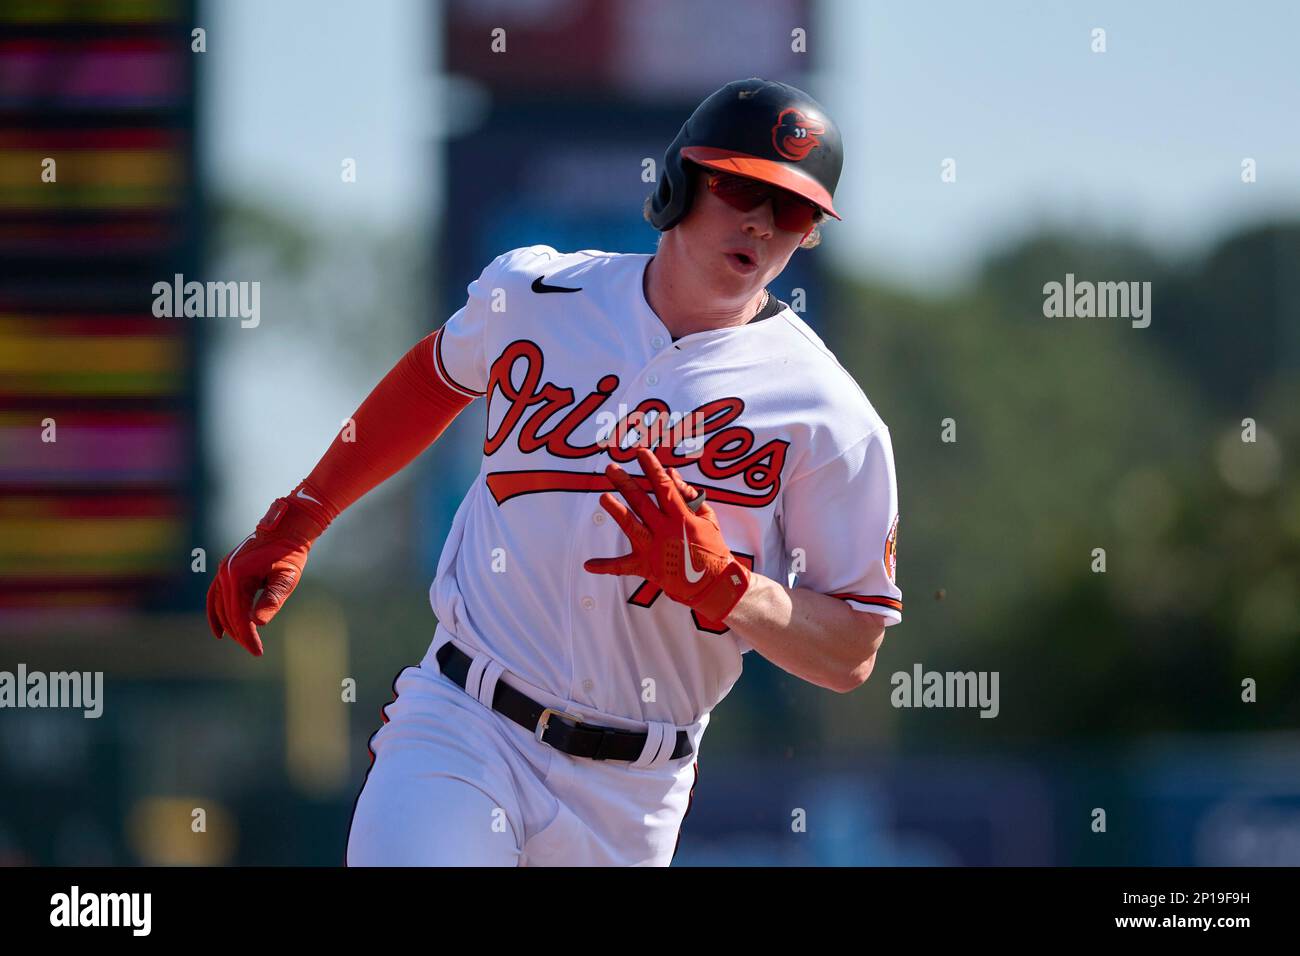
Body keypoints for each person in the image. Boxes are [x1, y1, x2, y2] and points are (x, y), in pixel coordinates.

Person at [205, 76, 903, 866]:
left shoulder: (828, 413)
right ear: (677, 181)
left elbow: (852, 649)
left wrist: (733, 591)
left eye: (793, 209)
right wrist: (305, 513)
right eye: (738, 185)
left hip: (636, 791)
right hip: (466, 726)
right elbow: (436, 377)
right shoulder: (538, 292)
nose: (760, 221)